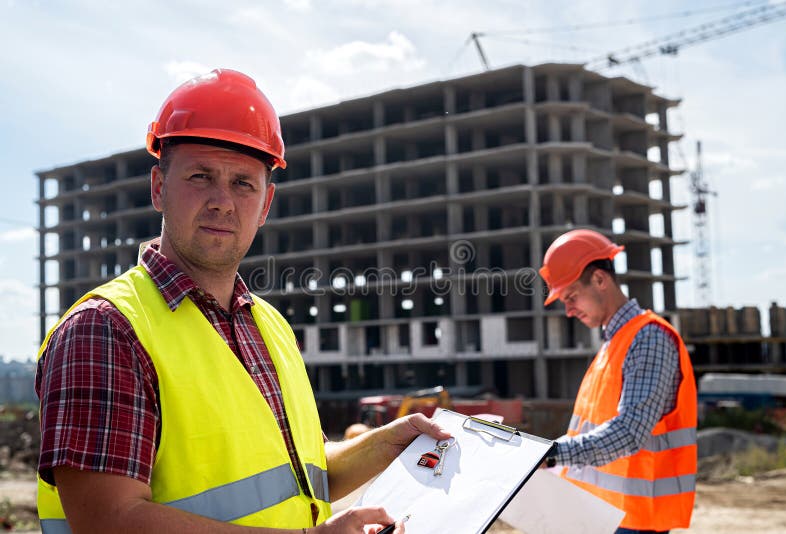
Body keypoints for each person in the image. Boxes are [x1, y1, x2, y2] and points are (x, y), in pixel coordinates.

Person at [35, 69, 449, 534]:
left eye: (243, 184)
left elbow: (303, 473)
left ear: (265, 204)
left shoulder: (268, 325)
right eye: (200, 176)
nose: (222, 202)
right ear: (158, 188)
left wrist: (387, 443)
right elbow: (109, 521)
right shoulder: (105, 329)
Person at [538, 229, 697, 534]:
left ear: (600, 279)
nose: (568, 311)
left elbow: (629, 432)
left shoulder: (649, 338)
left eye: (571, 297)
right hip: (607, 514)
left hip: (634, 521)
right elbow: (591, 429)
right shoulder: (614, 343)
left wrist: (552, 453)